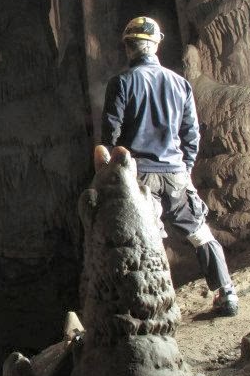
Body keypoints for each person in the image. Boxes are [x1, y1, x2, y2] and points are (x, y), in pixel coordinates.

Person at [101, 16, 239, 316]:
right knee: (200, 233)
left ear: (129, 48)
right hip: (175, 172)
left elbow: (110, 135)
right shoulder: (180, 84)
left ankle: (154, 305)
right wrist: (184, 166)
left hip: (139, 176)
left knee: (147, 238)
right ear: (155, 46)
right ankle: (226, 292)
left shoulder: (122, 83)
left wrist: (112, 171)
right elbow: (191, 132)